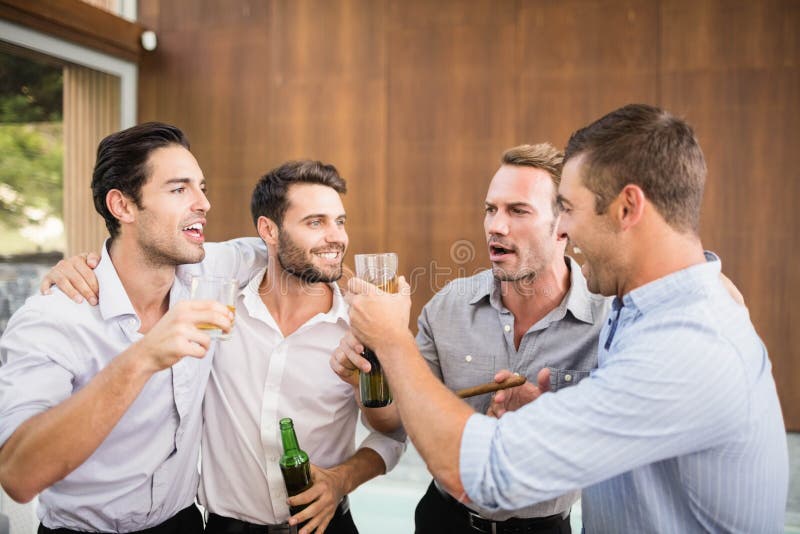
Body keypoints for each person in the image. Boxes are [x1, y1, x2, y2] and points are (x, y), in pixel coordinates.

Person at [341, 104, 789, 532]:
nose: (567, 232)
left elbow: (483, 469)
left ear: (627, 208)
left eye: (570, 210)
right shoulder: (644, 312)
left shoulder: (684, 346)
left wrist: (390, 339)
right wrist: (554, 416)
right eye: (490, 209)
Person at [42, 161, 405, 534]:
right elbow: (146, 257)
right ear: (269, 230)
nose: (336, 237)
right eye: (315, 222)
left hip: (327, 525)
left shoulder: (359, 328)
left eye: (340, 221)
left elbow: (392, 432)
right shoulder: (216, 309)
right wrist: (86, 267)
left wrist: (342, 479)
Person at [332, 143, 607, 534]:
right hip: (444, 521)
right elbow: (392, 421)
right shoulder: (448, 307)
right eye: (490, 209)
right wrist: (364, 376)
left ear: (563, 223)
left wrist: (550, 420)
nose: (496, 226)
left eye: (518, 211)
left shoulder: (608, 321)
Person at [0, 122, 260, 532]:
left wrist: (357, 288)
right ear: (122, 207)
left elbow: (291, 247)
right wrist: (141, 357)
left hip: (184, 523)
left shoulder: (209, 270)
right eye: (179, 189)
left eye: (201, 187)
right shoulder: (53, 318)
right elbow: (17, 475)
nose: (204, 203)